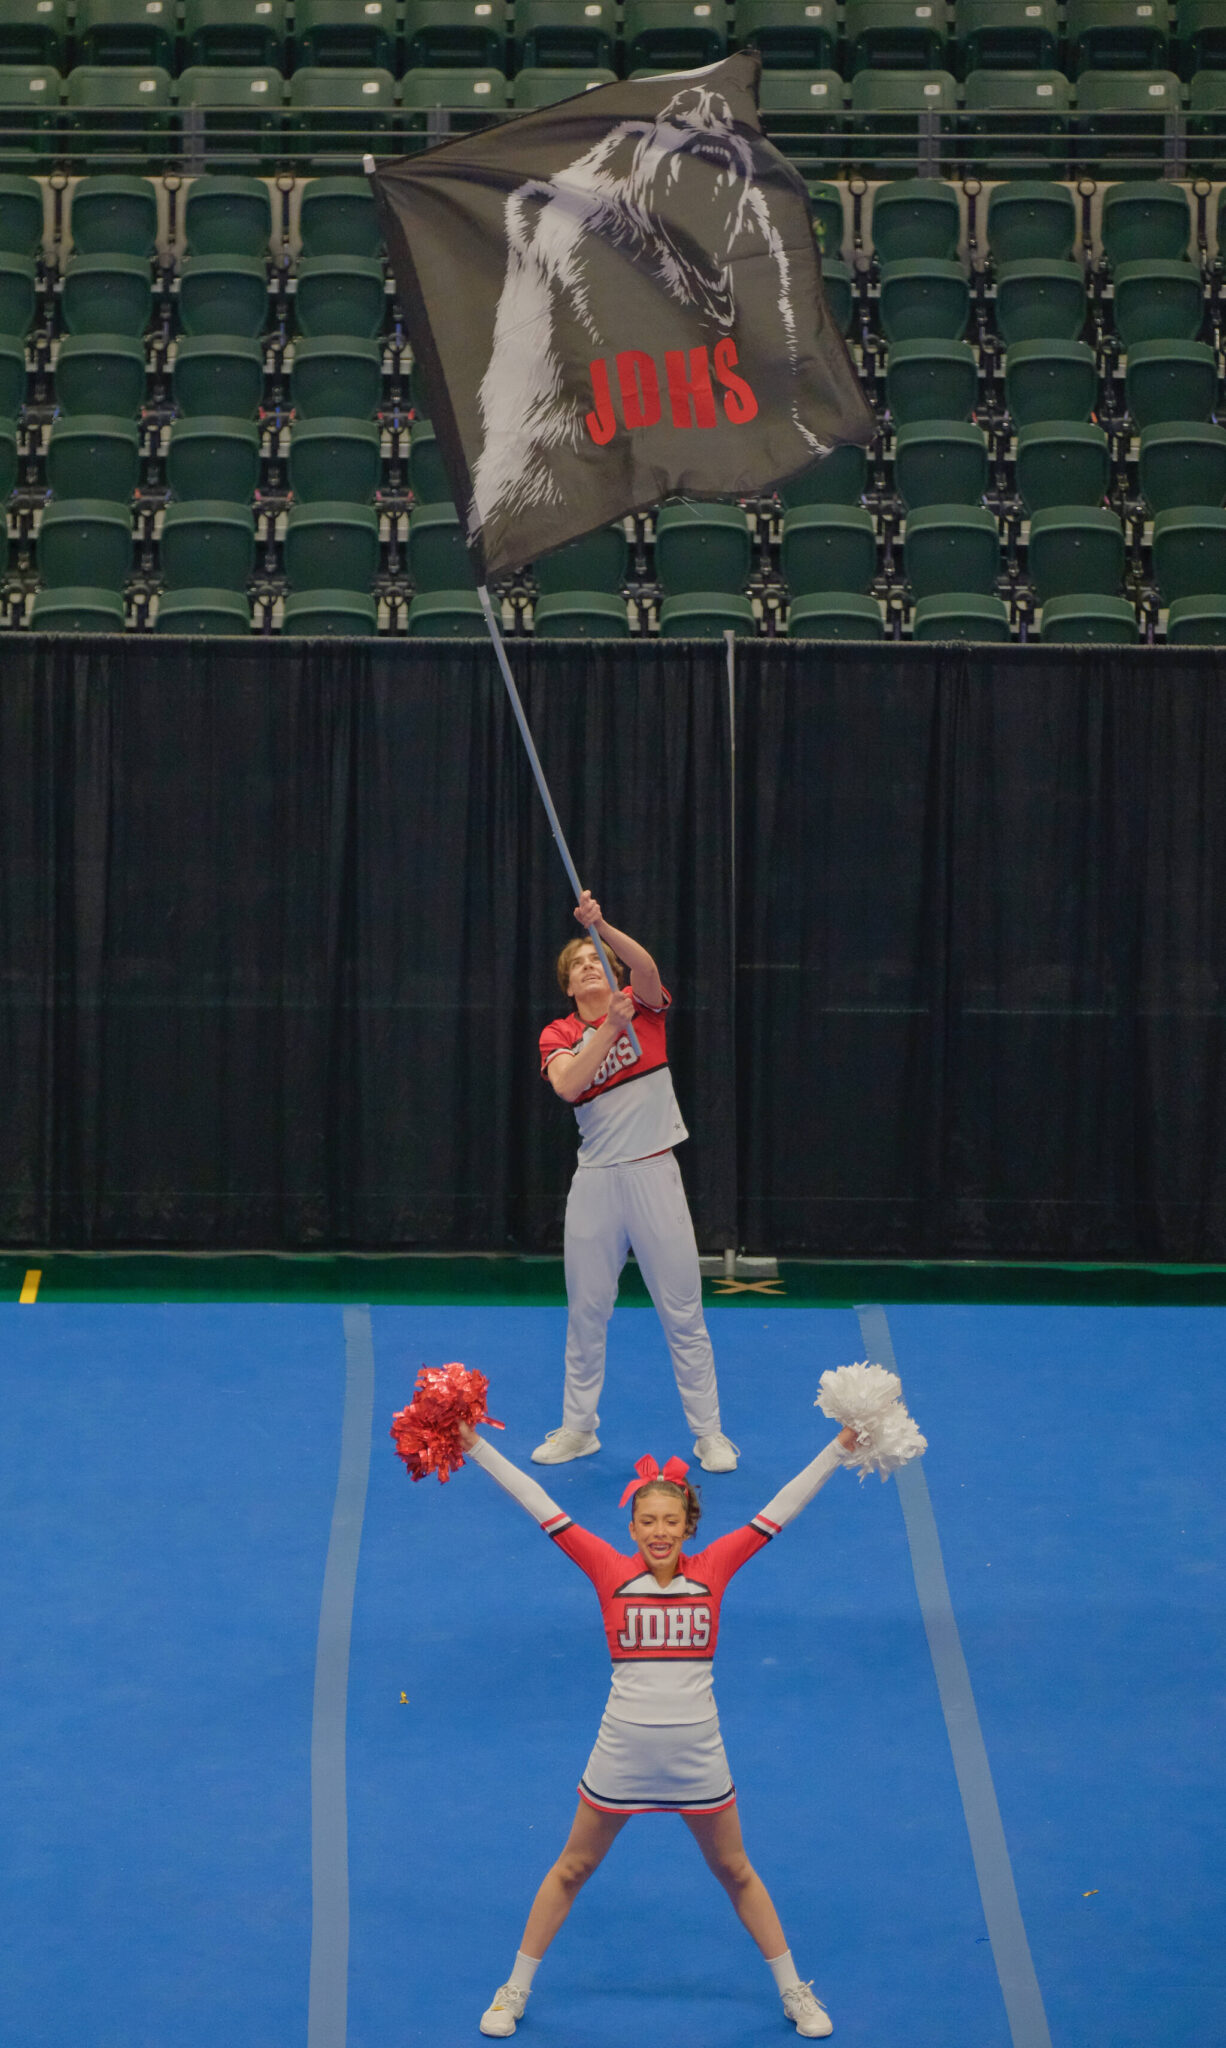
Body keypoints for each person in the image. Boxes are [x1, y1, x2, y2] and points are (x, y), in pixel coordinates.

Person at [455, 1414, 859, 2039]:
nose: (660, 1532)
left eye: (671, 1521)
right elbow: (538, 1501)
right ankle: (513, 1990)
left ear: (689, 1524)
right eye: (648, 1522)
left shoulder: (716, 1567)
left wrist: (839, 1448)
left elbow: (781, 1506)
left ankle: (793, 1991)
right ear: (632, 1527)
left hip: (701, 1756)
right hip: (620, 1754)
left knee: (736, 1870)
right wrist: (475, 1445)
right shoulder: (608, 1570)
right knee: (571, 1869)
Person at [535, 889, 739, 1475]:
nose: (589, 968)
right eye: (578, 966)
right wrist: (608, 1029)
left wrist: (601, 924)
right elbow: (569, 1085)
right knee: (587, 1310)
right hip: (597, 1180)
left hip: (654, 1171)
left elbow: (647, 969)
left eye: (597, 959)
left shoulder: (641, 1004)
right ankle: (579, 1429)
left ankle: (710, 1434)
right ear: (569, 989)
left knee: (682, 1309)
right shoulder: (558, 1034)